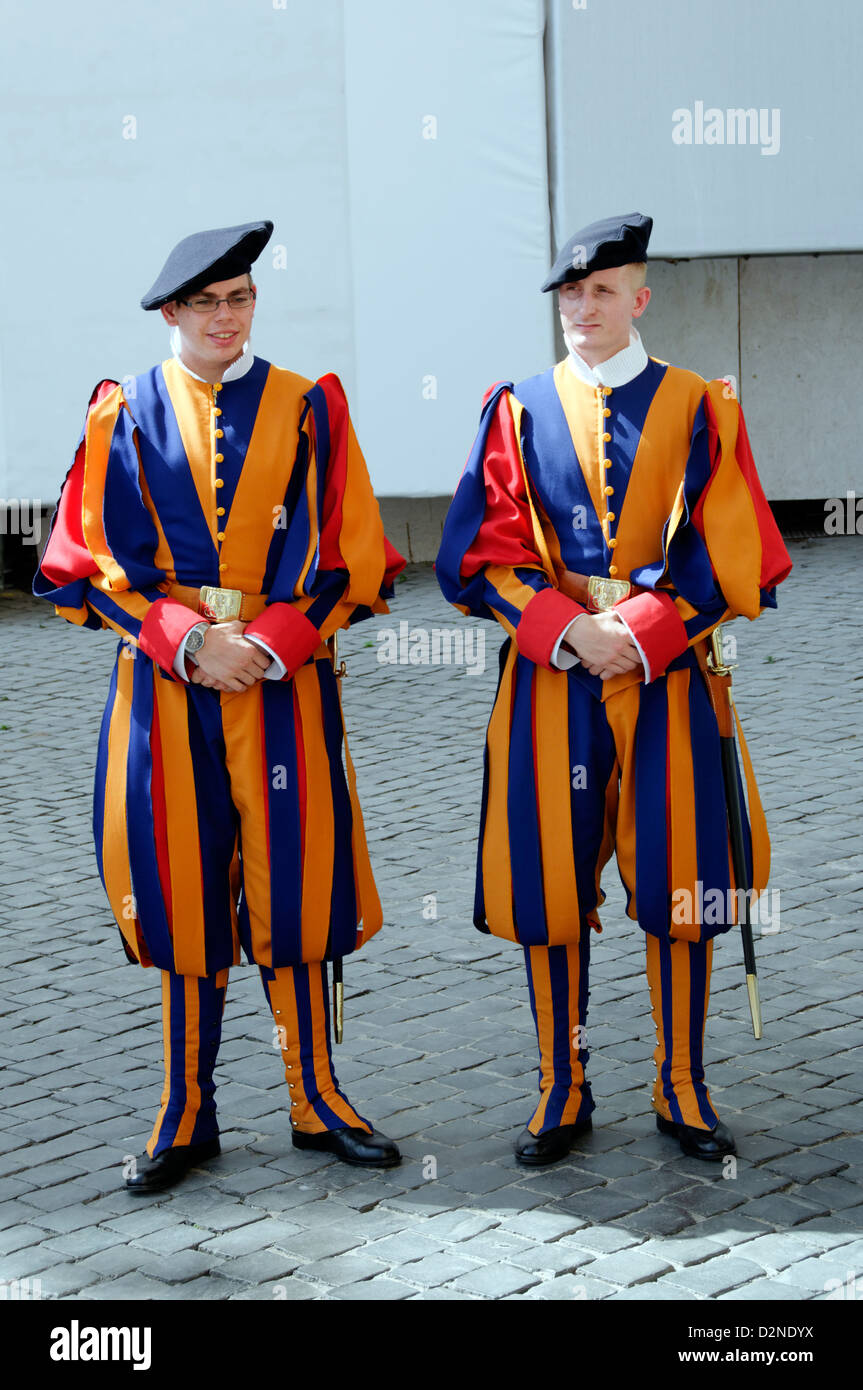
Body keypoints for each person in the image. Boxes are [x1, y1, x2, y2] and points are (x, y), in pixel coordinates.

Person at [34, 220, 406, 1192]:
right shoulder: (123, 414)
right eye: (207, 303)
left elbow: (350, 554)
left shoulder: (307, 407)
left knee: (297, 884)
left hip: (283, 685)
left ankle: (315, 1095)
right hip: (167, 689)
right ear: (171, 312)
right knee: (180, 888)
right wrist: (192, 642)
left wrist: (274, 643)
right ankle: (184, 1109)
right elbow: (84, 569)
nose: (226, 318)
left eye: (239, 299)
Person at [436, 212, 791, 1165]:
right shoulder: (513, 408)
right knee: (550, 890)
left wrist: (637, 632)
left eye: (600, 291)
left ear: (639, 298)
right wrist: (568, 632)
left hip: (669, 680)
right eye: (568, 293)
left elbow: (736, 551)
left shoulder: (698, 405)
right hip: (550, 686)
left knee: (684, 883)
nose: (581, 308)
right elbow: (479, 554)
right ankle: (562, 1083)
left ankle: (681, 1081)